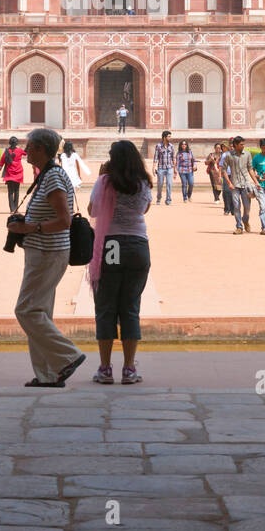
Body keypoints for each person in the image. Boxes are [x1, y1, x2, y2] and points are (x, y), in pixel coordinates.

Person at [12, 127, 85, 387]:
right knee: (40, 311)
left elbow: (64, 220)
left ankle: (68, 356)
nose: (25, 150)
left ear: (41, 149)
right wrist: (27, 222)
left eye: (29, 146)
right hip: (44, 250)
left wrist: (31, 227)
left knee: (26, 310)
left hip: (48, 251)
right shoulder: (47, 175)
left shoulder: (53, 178)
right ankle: (48, 374)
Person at [87, 141, 153, 385]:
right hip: (137, 245)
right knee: (130, 307)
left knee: (106, 307)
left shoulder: (105, 181)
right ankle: (129, 368)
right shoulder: (143, 182)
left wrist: (102, 179)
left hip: (111, 245)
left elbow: (93, 211)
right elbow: (144, 210)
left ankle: (105, 368)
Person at [221, 135, 260, 234]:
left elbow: (250, 169)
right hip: (234, 185)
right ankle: (239, 226)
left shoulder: (247, 154)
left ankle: (245, 220)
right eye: (241, 144)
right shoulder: (228, 155)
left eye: (244, 144)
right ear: (235, 145)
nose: (243, 146)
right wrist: (229, 183)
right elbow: (224, 170)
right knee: (236, 206)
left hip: (245, 184)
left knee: (247, 207)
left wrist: (256, 182)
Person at [0, 136, 25, 213]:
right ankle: (16, 209)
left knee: (10, 192)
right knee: (17, 191)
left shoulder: (6, 152)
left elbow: (1, 164)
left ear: (9, 143)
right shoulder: (20, 151)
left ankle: (12, 209)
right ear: (17, 143)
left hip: (9, 174)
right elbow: (27, 153)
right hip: (18, 173)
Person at [151, 130, 175, 206]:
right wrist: (153, 168)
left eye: (170, 136)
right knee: (160, 184)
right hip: (161, 168)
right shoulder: (158, 146)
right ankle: (158, 198)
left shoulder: (171, 146)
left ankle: (168, 200)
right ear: (164, 137)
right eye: (169, 136)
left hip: (169, 167)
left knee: (169, 184)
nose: (170, 138)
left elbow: (173, 158)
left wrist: (175, 169)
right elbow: (155, 157)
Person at [218, 139, 236, 216]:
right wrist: (219, 176)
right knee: (226, 192)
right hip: (226, 175)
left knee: (233, 192)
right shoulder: (225, 154)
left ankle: (233, 209)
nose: (232, 148)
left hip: (235, 175)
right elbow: (221, 166)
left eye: (233, 146)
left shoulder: (237, 154)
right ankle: (226, 209)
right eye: (230, 146)